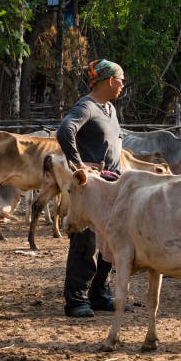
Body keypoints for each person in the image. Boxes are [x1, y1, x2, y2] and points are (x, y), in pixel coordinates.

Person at [57, 59, 125, 317]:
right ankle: (76, 300)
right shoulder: (87, 106)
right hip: (90, 187)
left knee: (107, 242)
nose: (122, 85)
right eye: (121, 81)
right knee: (85, 241)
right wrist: (78, 165)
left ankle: (99, 294)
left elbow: (115, 140)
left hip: (110, 184)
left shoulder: (109, 109)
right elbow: (65, 130)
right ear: (110, 80)